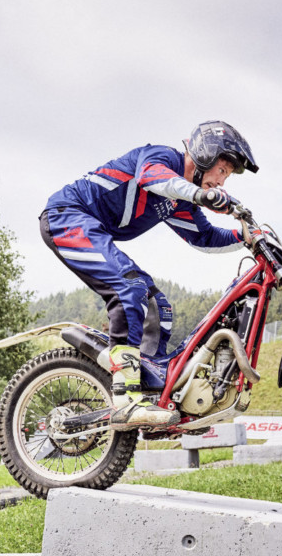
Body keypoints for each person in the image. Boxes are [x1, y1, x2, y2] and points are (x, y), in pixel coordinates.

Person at [41, 120, 258, 429]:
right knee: (129, 289)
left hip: (93, 229)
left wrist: (246, 237)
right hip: (67, 216)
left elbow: (204, 237)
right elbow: (152, 178)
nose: (222, 183)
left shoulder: (179, 200)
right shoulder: (161, 158)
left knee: (158, 306)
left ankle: (153, 402)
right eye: (223, 171)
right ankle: (125, 400)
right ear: (206, 155)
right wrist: (202, 196)